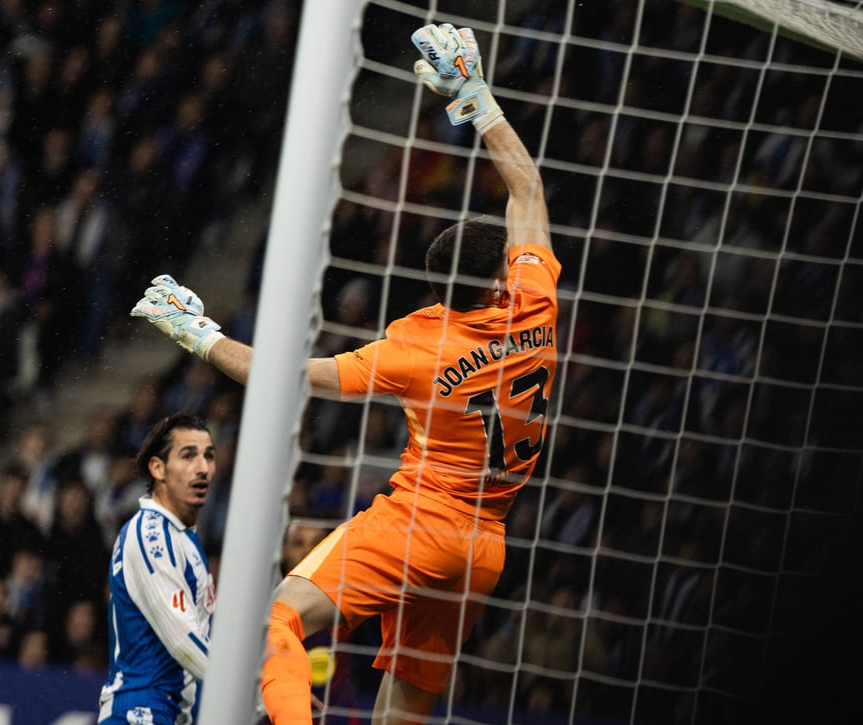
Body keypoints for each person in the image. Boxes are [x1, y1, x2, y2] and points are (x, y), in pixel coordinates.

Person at [130, 22, 558, 725]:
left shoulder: (420, 346)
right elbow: (527, 190)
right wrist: (478, 98)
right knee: (407, 703)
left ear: (443, 290)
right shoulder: (535, 301)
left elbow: (287, 377)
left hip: (420, 520)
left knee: (279, 622)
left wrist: (201, 335)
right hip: (486, 544)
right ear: (499, 275)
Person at [97, 413, 217, 724]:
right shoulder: (151, 534)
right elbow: (183, 639)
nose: (202, 468)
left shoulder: (183, 539)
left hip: (168, 712)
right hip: (141, 709)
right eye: (188, 455)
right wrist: (259, 690)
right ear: (158, 468)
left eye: (209, 456)